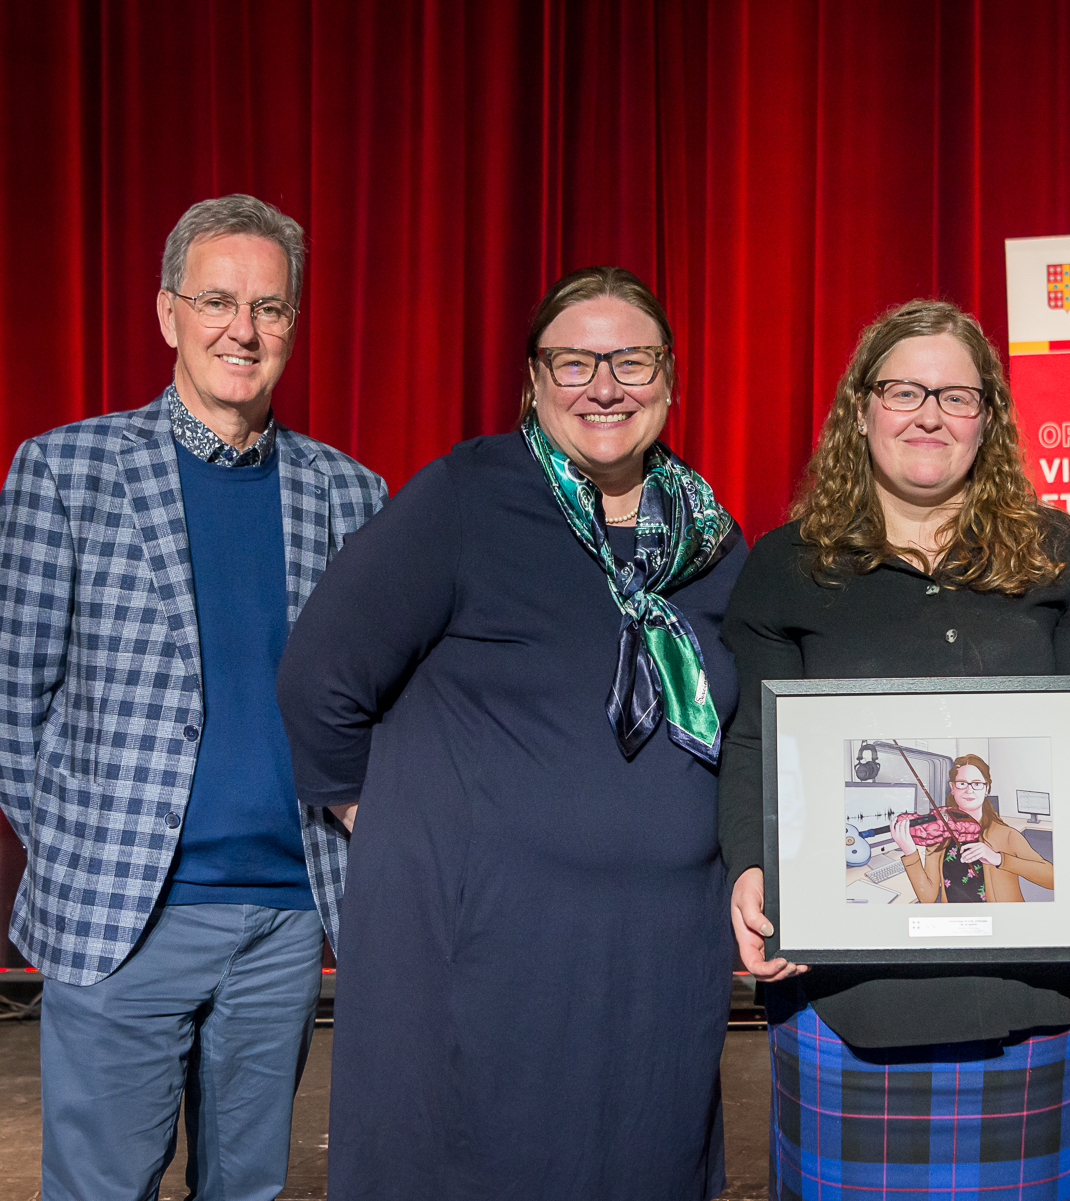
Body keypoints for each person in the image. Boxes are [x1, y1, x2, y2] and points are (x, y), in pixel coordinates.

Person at [275, 266, 746, 1201]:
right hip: (483, 948)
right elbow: (319, 676)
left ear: (672, 379)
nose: (603, 385)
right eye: (574, 362)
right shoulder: (468, 496)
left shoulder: (714, 540)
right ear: (533, 381)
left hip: (653, 965)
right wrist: (396, 821)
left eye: (632, 361)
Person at [0, 194, 386, 1200]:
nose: (243, 330)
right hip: (124, 917)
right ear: (168, 315)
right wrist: (82, 847)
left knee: (245, 1189)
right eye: (217, 300)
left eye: (270, 307)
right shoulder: (66, 471)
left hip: (287, 918)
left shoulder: (350, 494)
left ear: (294, 322)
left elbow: (371, 701)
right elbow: (4, 698)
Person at [720, 299, 1070, 1200]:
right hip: (845, 992)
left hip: (1028, 992)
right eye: (905, 390)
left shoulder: (1058, 557)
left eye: (956, 395)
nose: (928, 412)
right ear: (862, 408)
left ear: (989, 419)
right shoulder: (786, 564)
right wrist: (752, 868)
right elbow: (755, 741)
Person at [893, 754, 1056, 902]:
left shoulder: (1006, 835)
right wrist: (910, 854)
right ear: (952, 787)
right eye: (962, 783)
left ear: (987, 788)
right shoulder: (938, 837)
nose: (969, 790)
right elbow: (927, 897)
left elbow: (1052, 879)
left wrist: (999, 859)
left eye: (977, 784)